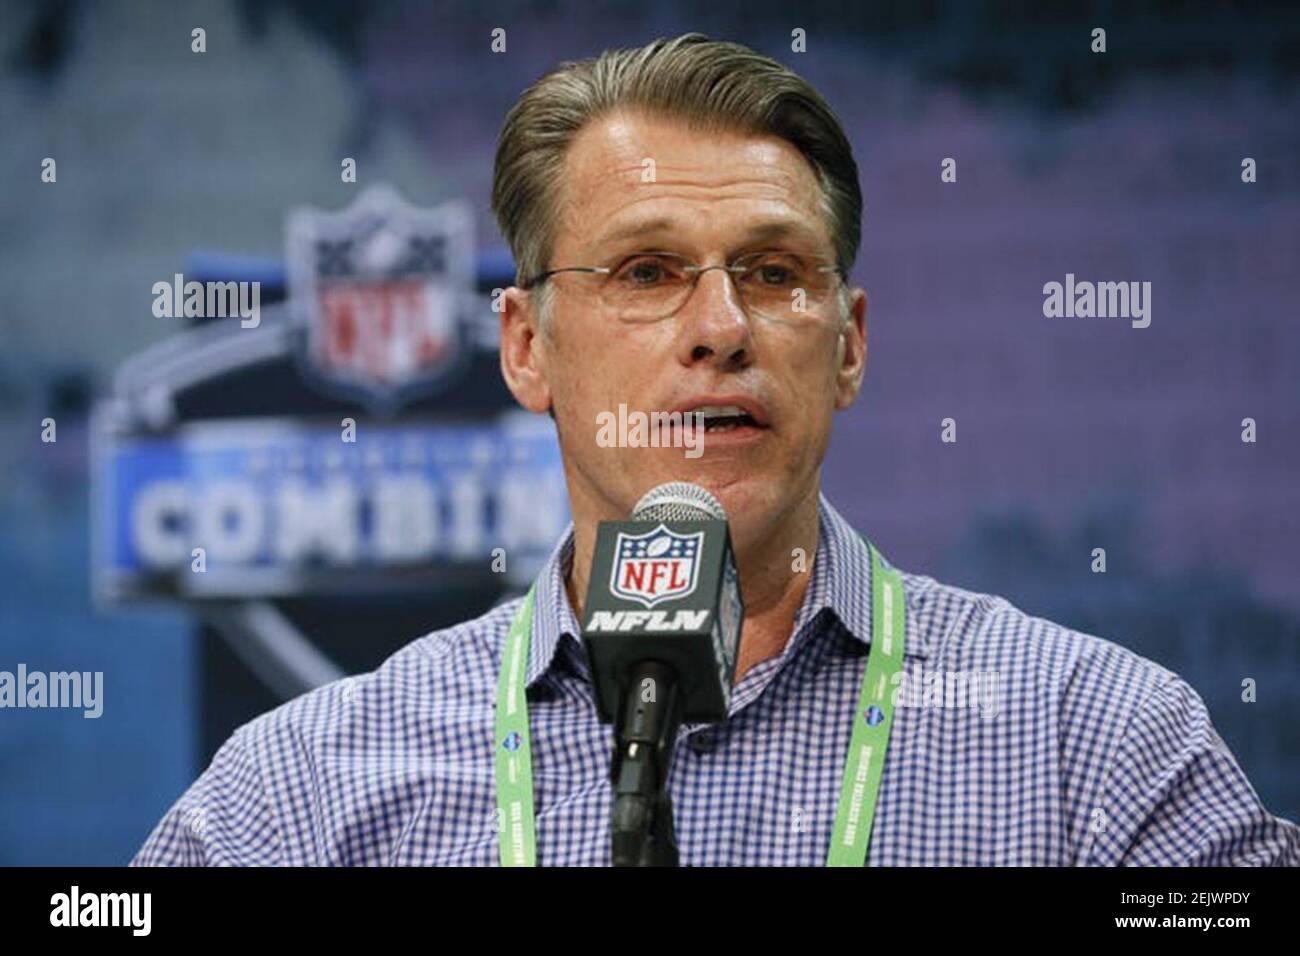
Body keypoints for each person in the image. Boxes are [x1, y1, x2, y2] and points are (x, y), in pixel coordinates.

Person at [132, 33, 1299, 866]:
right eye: (645, 273)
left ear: (846, 346)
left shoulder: (1092, 750)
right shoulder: (298, 796)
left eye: (775, 273)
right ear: (526, 346)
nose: (721, 328)